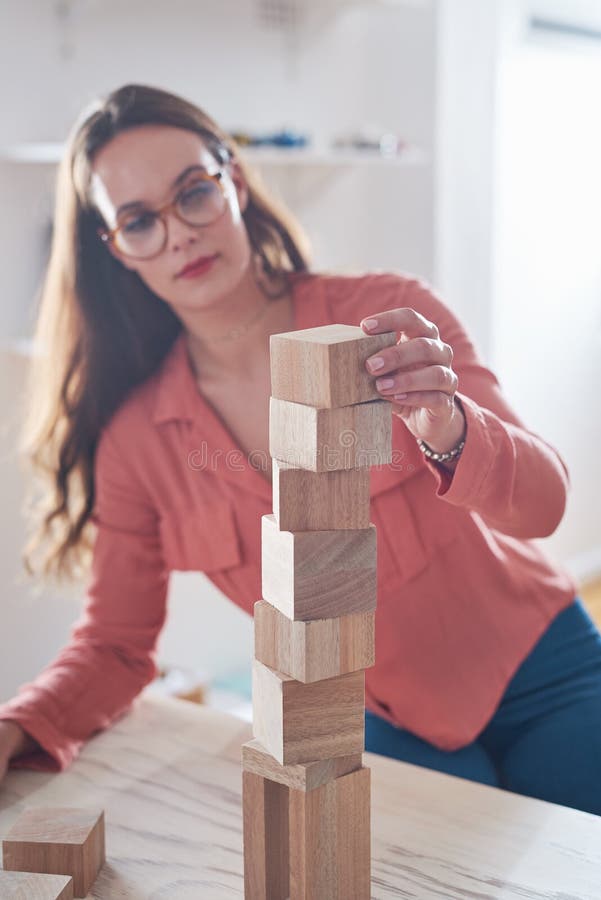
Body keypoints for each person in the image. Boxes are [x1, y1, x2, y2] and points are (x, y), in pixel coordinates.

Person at [0, 83, 599, 816]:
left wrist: (448, 426)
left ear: (235, 183)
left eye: (193, 193)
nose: (180, 233)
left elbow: (547, 504)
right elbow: (115, 645)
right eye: (137, 221)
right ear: (116, 250)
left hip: (543, 666)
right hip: (372, 717)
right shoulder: (134, 442)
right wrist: (18, 724)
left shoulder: (382, 318)